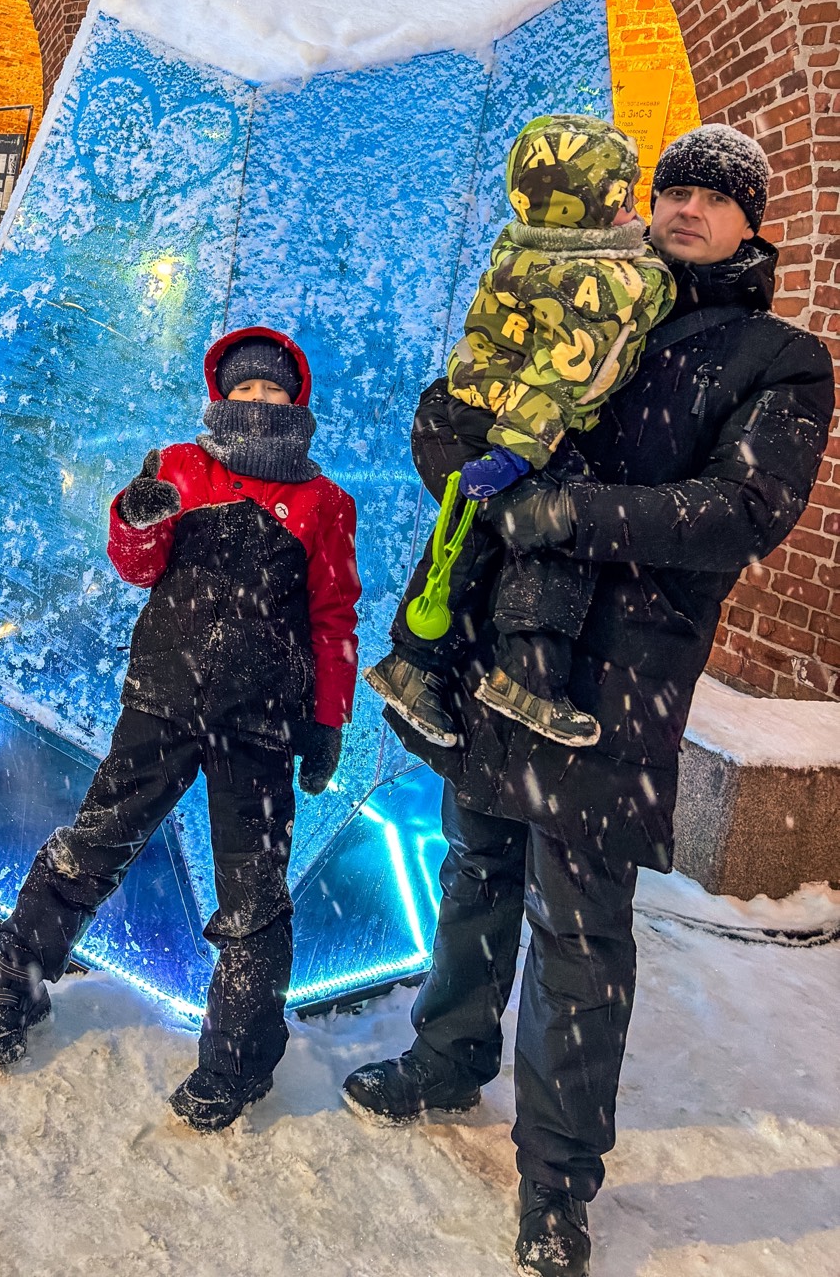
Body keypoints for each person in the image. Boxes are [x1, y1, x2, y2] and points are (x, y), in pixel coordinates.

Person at [343, 124, 834, 1277]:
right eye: (674, 185)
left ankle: (558, 1179)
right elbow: (449, 410)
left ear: (754, 224)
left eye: (718, 195)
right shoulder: (581, 285)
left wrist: (575, 513)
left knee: (579, 926)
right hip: (498, 640)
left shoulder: (776, 357)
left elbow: (744, 508)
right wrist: (466, 450)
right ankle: (449, 1055)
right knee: (473, 865)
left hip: (621, 674)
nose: (687, 206)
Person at [0, 328, 361, 1131]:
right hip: (163, 699)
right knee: (95, 842)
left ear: (297, 402)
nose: (257, 404)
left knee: (252, 896)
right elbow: (136, 564)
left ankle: (238, 1062)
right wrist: (135, 516)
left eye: (272, 393)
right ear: (223, 392)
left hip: (260, 725)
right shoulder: (179, 462)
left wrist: (327, 720)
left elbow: (333, 617)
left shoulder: (325, 502)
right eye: (245, 391)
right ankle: (19, 985)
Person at [366, 115, 675, 749]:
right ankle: (529, 680)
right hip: (519, 425)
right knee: (556, 534)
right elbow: (560, 378)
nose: (631, 211)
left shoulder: (521, 250)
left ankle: (413, 661)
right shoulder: (602, 282)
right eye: (622, 198)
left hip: (470, 406)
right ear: (592, 208)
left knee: (465, 534)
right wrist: (515, 453)